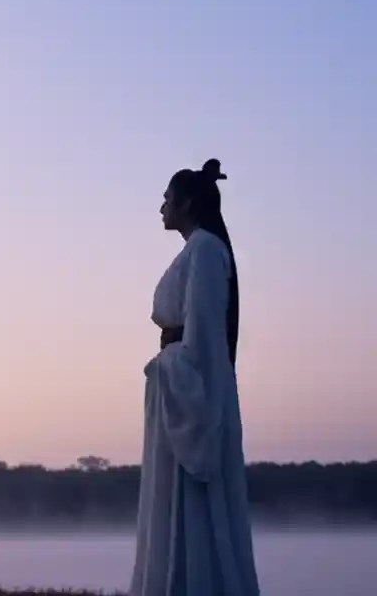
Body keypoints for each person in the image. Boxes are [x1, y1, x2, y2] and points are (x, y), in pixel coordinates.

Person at [131, 159, 260, 595]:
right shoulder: (197, 250)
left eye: (167, 199)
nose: (161, 207)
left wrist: (172, 370)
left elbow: (204, 337)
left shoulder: (205, 251)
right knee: (175, 503)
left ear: (186, 203)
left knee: (195, 505)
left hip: (192, 391)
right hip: (178, 386)